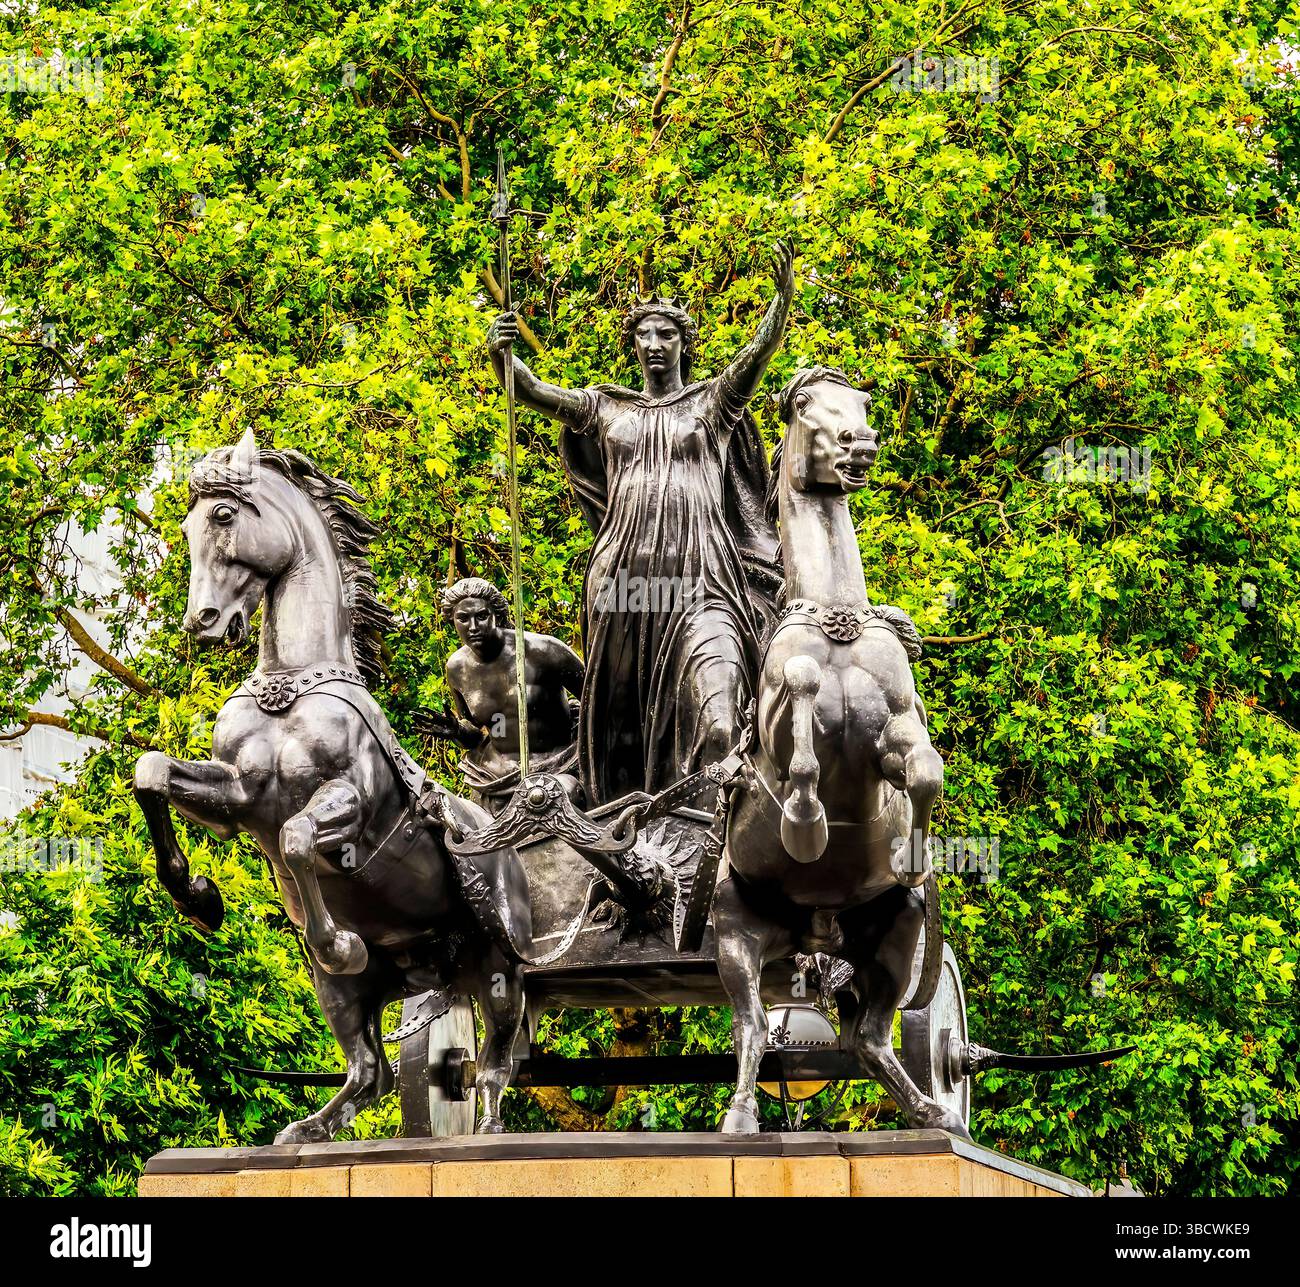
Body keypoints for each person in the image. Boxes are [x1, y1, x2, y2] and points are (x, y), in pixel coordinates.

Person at [487, 243, 792, 803]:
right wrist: (501, 352)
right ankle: (626, 835)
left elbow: (756, 358)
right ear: (633, 345)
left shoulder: (712, 403)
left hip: (704, 584)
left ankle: (712, 839)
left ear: (683, 343)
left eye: (666, 334)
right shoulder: (606, 408)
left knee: (720, 717)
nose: (654, 344)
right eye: (644, 335)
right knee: (620, 732)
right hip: (623, 585)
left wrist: (782, 299)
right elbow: (527, 391)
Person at [428, 577, 584, 815]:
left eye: (481, 616)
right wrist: (457, 731)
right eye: (463, 618)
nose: (472, 627)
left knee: (559, 801)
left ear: (497, 615)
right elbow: (477, 734)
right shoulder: (456, 668)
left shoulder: (544, 651)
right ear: (452, 621)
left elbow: (597, 700)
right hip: (496, 778)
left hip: (559, 766)